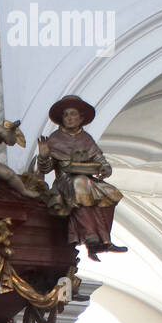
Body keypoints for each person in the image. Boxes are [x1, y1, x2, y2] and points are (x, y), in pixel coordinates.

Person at [37, 96, 126, 261]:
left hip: (87, 179)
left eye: (73, 114)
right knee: (80, 184)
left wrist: (105, 168)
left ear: (81, 118)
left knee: (110, 192)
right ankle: (90, 236)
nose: (70, 118)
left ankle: (104, 239)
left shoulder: (86, 139)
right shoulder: (55, 139)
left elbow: (99, 159)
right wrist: (43, 156)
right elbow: (45, 168)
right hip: (65, 182)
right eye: (66, 115)